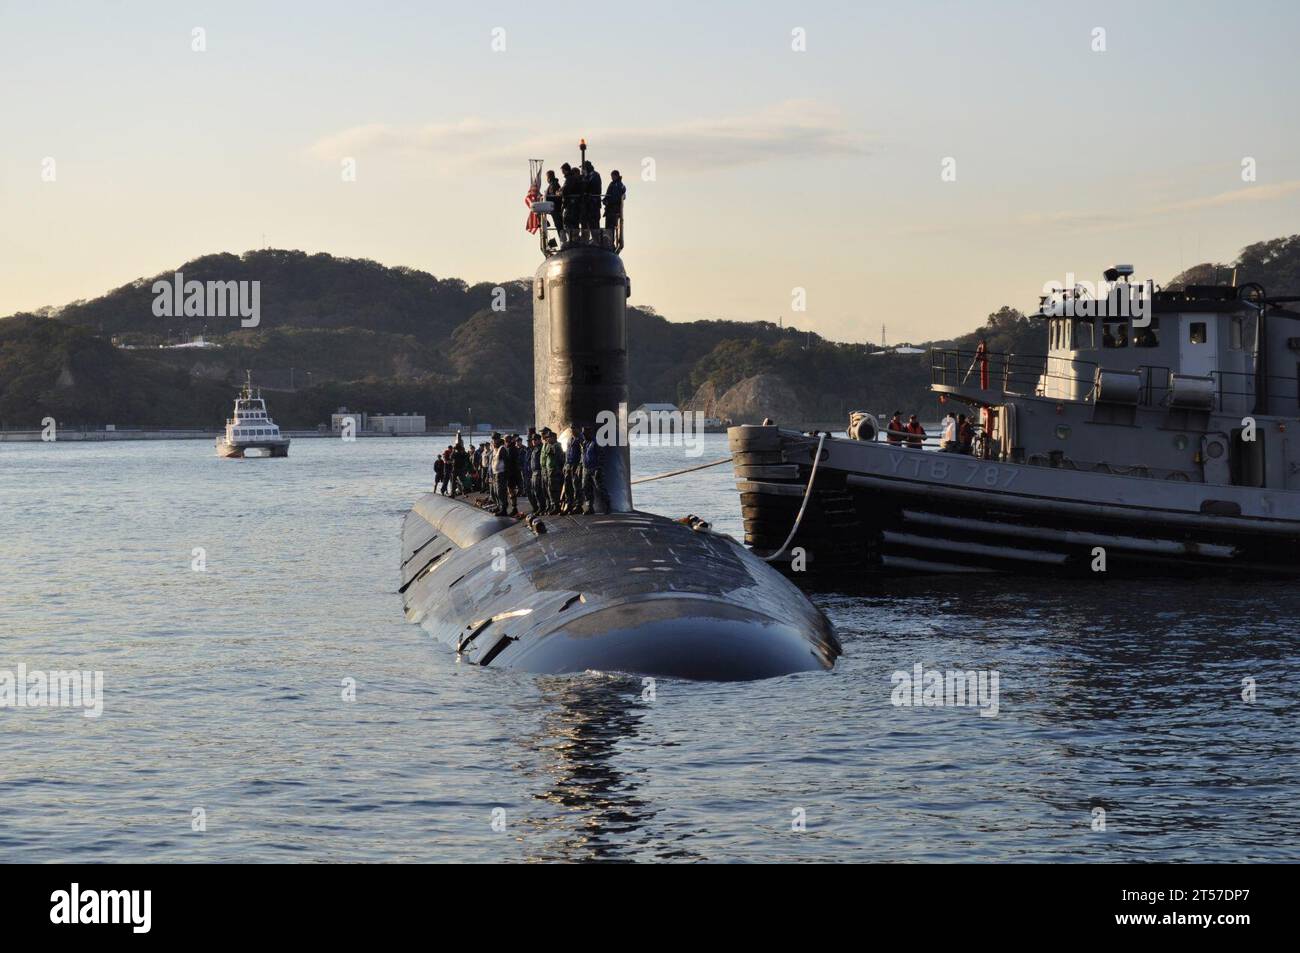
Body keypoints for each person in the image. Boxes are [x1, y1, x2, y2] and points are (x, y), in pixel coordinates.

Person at [581, 425, 608, 514]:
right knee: (586, 488)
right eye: (583, 434)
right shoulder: (584, 443)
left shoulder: (596, 442)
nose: (583, 435)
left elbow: (602, 456)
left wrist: (598, 468)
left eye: (585, 434)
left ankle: (607, 506)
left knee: (600, 488)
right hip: (586, 469)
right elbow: (583, 456)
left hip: (595, 469)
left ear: (589, 433)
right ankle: (589, 507)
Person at [542, 431, 565, 514]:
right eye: (547, 437)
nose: (547, 439)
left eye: (549, 437)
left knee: (555, 489)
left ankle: (557, 506)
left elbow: (560, 459)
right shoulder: (549, 446)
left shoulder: (556, 446)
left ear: (554, 438)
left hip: (555, 471)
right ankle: (554, 505)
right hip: (550, 470)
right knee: (550, 489)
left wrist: (559, 470)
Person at [562, 164, 585, 240]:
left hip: (572, 205)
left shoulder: (571, 179)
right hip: (576, 205)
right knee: (575, 223)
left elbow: (565, 191)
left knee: (568, 222)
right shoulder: (579, 180)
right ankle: (575, 239)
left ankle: (573, 240)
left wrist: (560, 192)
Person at [603, 169, 625, 246]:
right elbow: (608, 194)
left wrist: (609, 202)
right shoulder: (613, 184)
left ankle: (610, 244)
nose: (611, 178)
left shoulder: (618, 185)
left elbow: (616, 197)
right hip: (610, 209)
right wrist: (605, 200)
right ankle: (609, 243)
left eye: (612, 176)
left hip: (613, 210)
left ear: (616, 176)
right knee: (609, 227)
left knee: (611, 227)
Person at [582, 161, 602, 240]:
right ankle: (591, 239)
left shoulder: (594, 175)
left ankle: (596, 240)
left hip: (593, 203)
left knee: (594, 223)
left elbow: (591, 187)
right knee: (588, 223)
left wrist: (585, 180)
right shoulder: (592, 175)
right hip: (590, 203)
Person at [544, 169, 563, 236]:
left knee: (559, 225)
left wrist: (546, 197)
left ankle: (563, 240)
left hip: (555, 209)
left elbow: (553, 196)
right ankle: (563, 239)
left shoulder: (553, 185)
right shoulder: (553, 184)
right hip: (555, 208)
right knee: (558, 225)